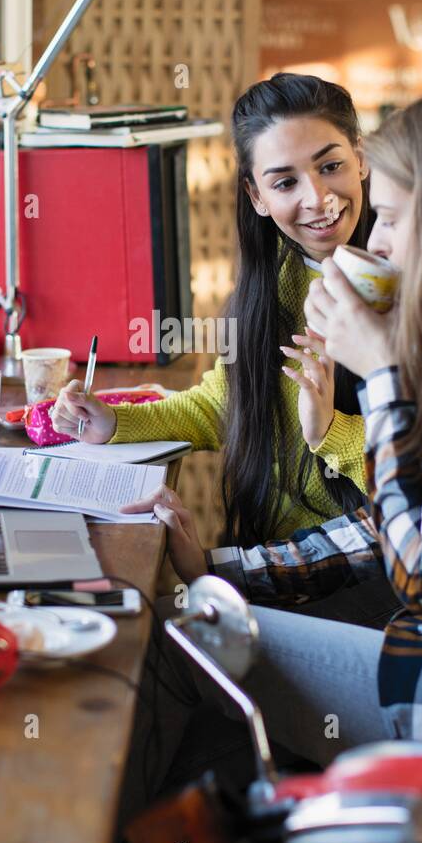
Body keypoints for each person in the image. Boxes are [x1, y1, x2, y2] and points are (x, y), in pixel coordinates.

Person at [120, 81, 422, 843]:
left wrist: (381, 375)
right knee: (203, 681)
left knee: (183, 657)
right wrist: (220, 566)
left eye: (387, 215)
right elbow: (392, 525)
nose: (373, 241)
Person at [51, 74, 375, 546]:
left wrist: (330, 432)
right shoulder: (278, 282)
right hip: (275, 556)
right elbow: (222, 405)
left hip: (363, 570)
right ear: (256, 198)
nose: (317, 198)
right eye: (285, 182)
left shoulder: (410, 288)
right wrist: (115, 423)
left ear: (361, 159)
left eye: (330, 166)